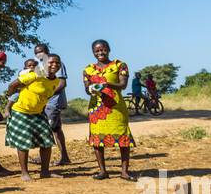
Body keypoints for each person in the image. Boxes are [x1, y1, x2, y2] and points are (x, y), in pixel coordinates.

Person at [2, 56, 62, 180]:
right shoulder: (35, 75)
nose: (54, 65)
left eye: (57, 62)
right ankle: (24, 173)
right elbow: (13, 85)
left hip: (38, 113)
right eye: (51, 62)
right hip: (21, 112)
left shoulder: (56, 82)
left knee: (47, 142)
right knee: (24, 142)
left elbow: (44, 98)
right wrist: (11, 98)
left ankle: (45, 172)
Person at [83, 39, 135, 180]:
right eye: (97, 50)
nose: (100, 52)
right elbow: (87, 89)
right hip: (96, 108)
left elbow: (123, 85)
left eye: (103, 49)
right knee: (97, 141)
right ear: (93, 52)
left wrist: (106, 84)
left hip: (116, 107)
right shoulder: (88, 69)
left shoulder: (120, 65)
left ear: (109, 49)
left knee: (123, 139)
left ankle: (124, 172)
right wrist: (91, 89)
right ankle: (103, 171)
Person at [34, 42, 71, 165]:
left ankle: (44, 158)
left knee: (47, 129)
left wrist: (49, 94)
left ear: (47, 52)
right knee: (56, 129)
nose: (39, 54)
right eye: (36, 52)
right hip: (45, 103)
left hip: (53, 102)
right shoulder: (40, 67)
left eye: (41, 51)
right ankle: (64, 157)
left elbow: (62, 83)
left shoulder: (55, 64)